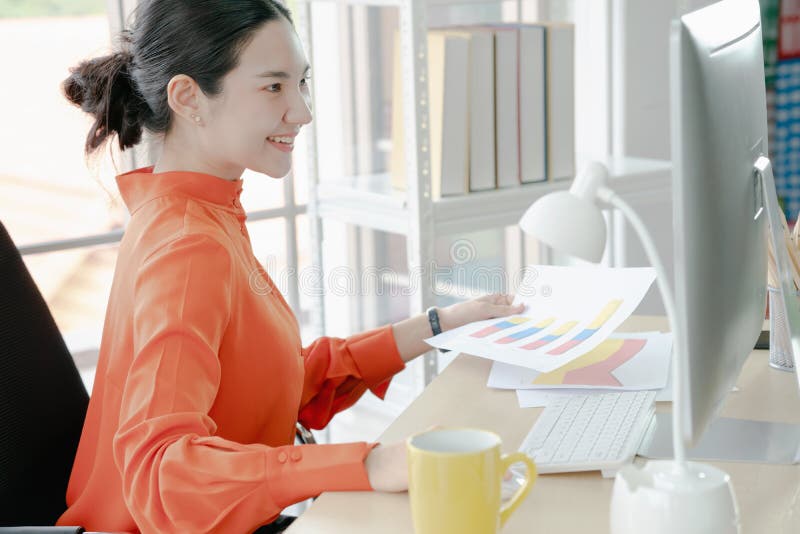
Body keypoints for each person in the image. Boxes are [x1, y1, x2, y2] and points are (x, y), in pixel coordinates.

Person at [56, 1, 523, 532]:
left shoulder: (200, 215)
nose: (301, 111)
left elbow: (268, 381)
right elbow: (163, 473)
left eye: (301, 84)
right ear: (188, 98)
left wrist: (440, 325)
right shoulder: (188, 247)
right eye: (273, 87)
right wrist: (367, 464)